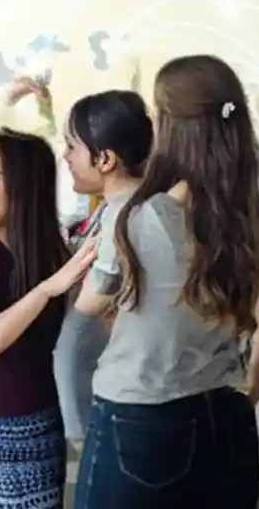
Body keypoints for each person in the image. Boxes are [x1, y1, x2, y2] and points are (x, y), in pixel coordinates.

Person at [72, 54, 259, 508]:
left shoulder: (135, 217)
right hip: (226, 422)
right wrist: (243, 398)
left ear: (171, 129)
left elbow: (89, 306)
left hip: (139, 420)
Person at [0, 129, 102, 509]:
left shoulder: (45, 245)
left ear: (24, 188)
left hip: (46, 420)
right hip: (3, 431)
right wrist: (47, 289)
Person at [52, 90, 153, 452]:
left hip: (110, 406)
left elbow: (93, 305)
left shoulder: (126, 217)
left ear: (106, 159)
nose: (65, 155)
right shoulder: (114, 211)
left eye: (72, 146)